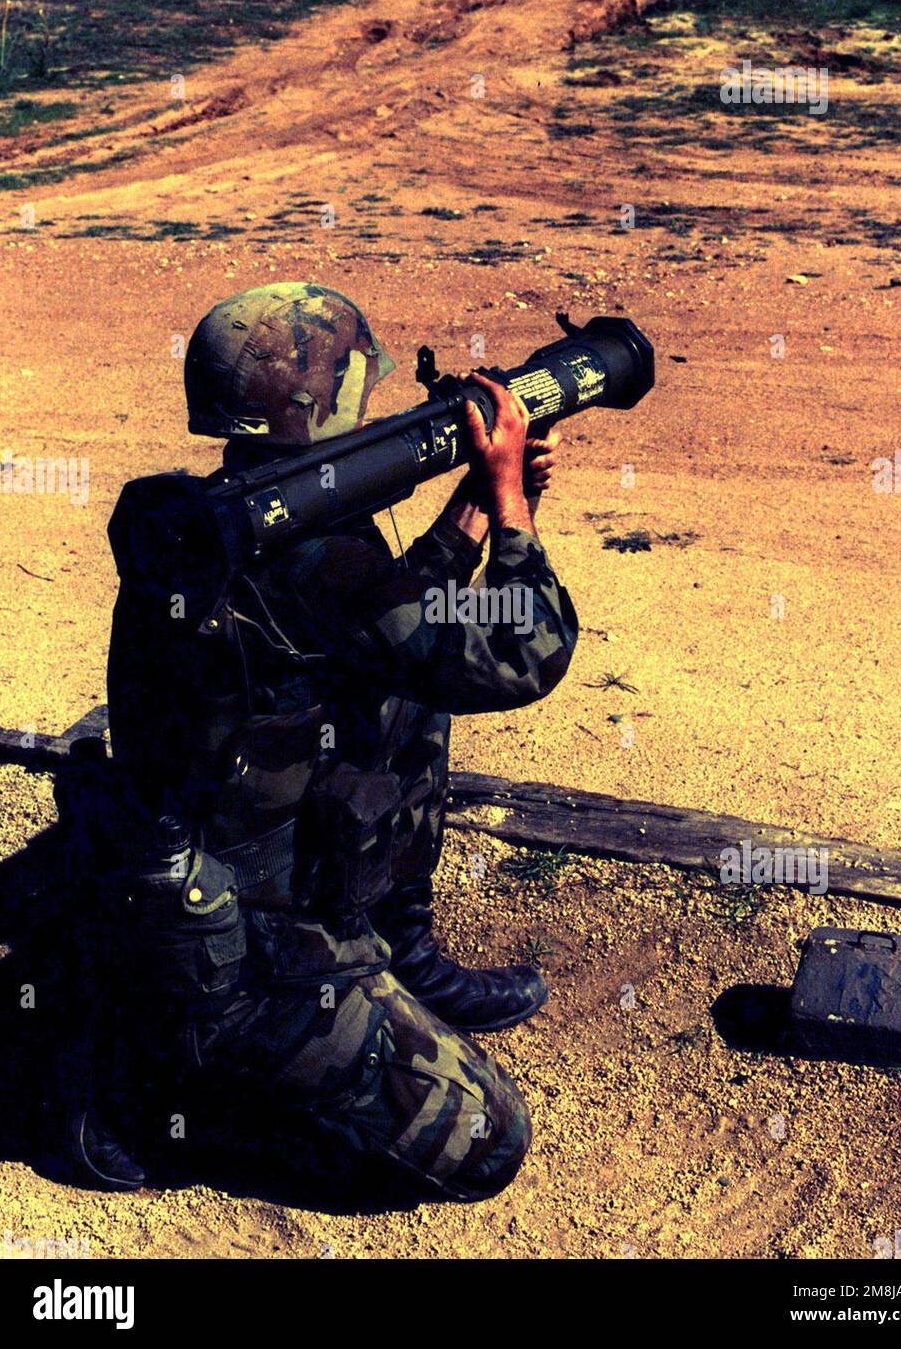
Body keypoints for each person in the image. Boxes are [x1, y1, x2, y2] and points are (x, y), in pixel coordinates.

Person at [92, 282, 578, 1202]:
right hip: (242, 937)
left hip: (225, 850)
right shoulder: (315, 555)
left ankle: (405, 952)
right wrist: (512, 506)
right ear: (330, 403)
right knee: (489, 1140)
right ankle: (152, 1115)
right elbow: (526, 652)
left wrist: (469, 502)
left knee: (411, 699)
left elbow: (379, 626)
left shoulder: (213, 522)